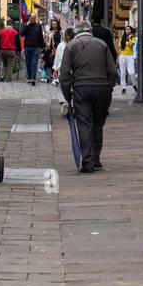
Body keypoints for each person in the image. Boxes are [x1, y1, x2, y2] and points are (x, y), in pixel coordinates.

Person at [59, 23, 115, 173]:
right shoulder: (102, 44)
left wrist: (67, 94)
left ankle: (88, 161)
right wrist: (109, 88)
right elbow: (112, 70)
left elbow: (64, 74)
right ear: (90, 31)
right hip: (102, 88)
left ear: (76, 32)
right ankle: (95, 158)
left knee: (84, 124)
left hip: (81, 89)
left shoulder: (71, 46)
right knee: (98, 124)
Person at [21, 16, 45, 86]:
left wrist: (42, 47)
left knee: (34, 63)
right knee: (28, 63)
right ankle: (29, 77)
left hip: (35, 47)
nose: (33, 20)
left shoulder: (38, 26)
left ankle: (33, 78)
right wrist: (27, 26)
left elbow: (40, 37)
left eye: (34, 19)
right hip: (27, 47)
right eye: (32, 18)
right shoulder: (26, 25)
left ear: (36, 19)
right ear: (29, 19)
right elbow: (22, 33)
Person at [117, 25, 137, 96]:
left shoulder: (133, 38)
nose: (127, 30)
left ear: (131, 30)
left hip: (130, 56)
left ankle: (134, 85)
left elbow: (131, 45)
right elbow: (120, 48)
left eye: (129, 29)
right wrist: (118, 57)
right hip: (122, 56)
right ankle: (123, 87)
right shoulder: (122, 38)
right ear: (125, 31)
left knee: (132, 72)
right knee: (122, 73)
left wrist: (129, 38)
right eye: (126, 29)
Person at [43, 18, 62, 84]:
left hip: (58, 50)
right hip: (50, 51)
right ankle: (52, 76)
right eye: (53, 24)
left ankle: (55, 77)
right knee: (51, 63)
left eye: (55, 24)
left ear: (57, 25)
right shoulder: (49, 32)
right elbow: (45, 40)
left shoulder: (61, 33)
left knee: (56, 63)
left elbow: (62, 41)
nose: (54, 25)